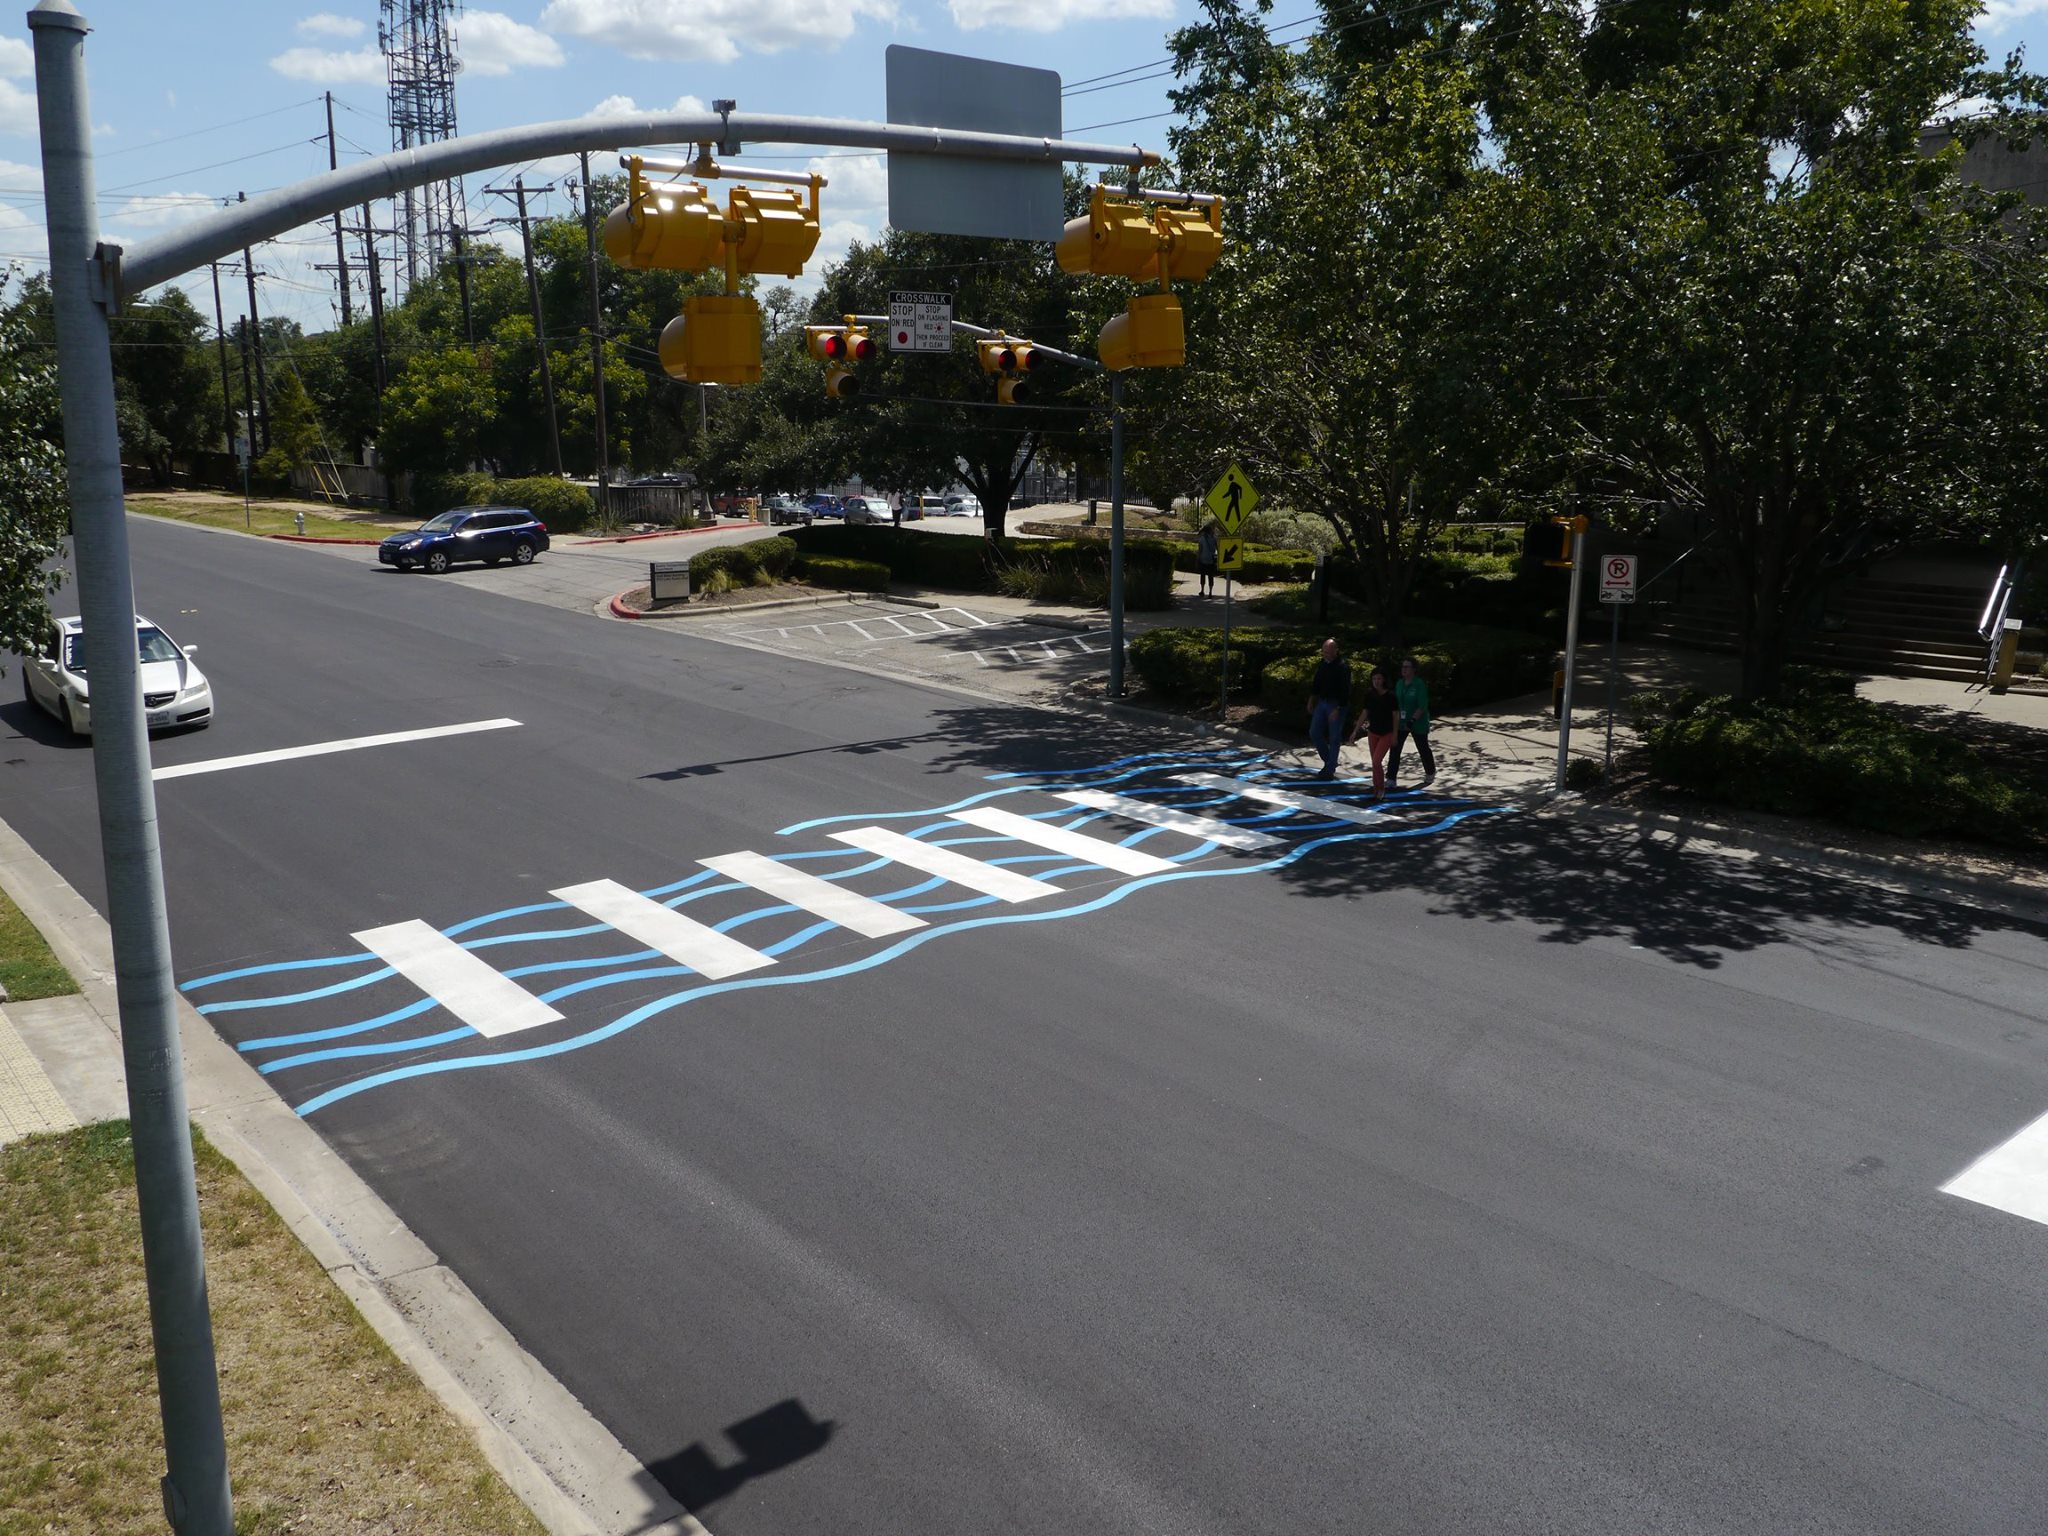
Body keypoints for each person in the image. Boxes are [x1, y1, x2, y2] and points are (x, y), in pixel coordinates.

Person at [1346, 665, 1400, 798]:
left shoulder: (1391, 696)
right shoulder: (1369, 694)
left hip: (1386, 732)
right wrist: (1355, 731)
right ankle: (1376, 789)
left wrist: (1395, 734)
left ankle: (1381, 788)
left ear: (1384, 680)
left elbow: (1396, 715)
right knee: (1375, 763)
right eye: (1374, 679)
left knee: (1376, 761)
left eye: (1379, 679)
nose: (1376, 681)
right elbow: (1365, 713)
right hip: (1373, 732)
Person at [1306, 637, 1351, 781]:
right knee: (1314, 732)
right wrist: (1311, 700)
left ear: (1336, 651)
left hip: (1336, 704)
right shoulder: (1323, 664)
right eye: (1324, 651)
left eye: (1329, 652)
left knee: (1334, 737)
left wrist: (1338, 708)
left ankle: (1329, 769)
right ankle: (1329, 761)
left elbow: (1345, 690)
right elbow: (1316, 683)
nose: (1326, 654)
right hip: (1322, 702)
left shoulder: (1342, 667)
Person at [1388, 655, 1436, 790]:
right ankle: (1391, 778)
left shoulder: (1419, 684)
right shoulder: (1399, 683)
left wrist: (1412, 720)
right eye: (1402, 667)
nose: (1404, 669)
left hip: (1417, 722)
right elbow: (1396, 703)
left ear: (1414, 669)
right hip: (1401, 721)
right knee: (1395, 748)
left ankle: (1430, 771)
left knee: (1422, 747)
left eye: (1407, 667)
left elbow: (1422, 705)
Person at [1196, 520, 1220, 597]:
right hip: (1211, 560)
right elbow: (1218, 548)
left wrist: (1198, 558)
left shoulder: (1202, 539)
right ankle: (1210, 592)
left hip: (1203, 559)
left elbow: (1200, 550)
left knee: (1202, 576)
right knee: (1211, 576)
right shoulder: (1214, 538)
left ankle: (1202, 590)